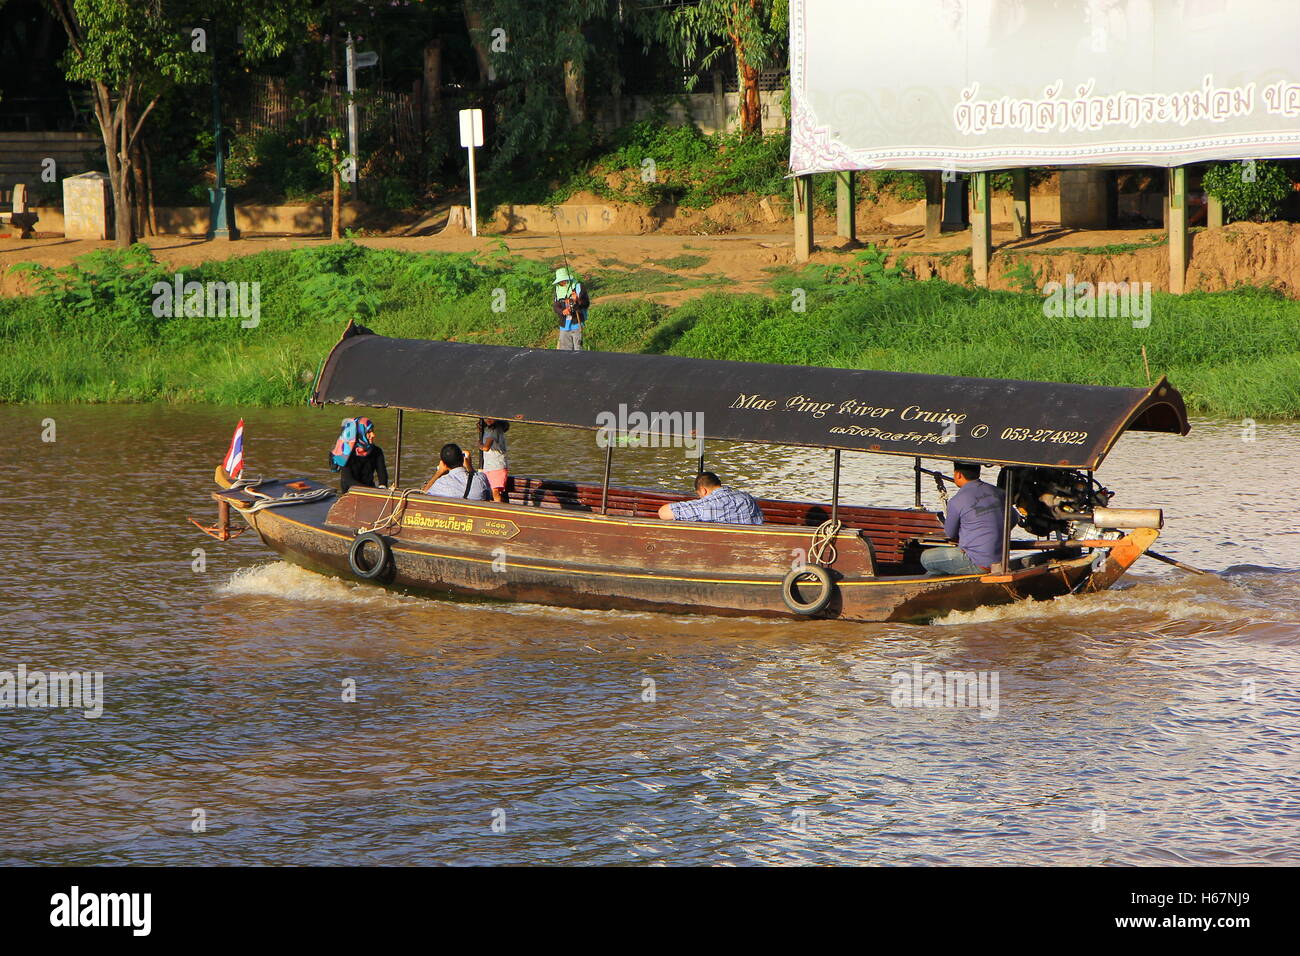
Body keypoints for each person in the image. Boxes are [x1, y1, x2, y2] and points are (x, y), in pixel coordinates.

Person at [920, 461, 1009, 575]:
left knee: (926, 558)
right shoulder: (998, 492)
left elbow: (951, 534)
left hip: (977, 562)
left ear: (958, 475)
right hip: (1000, 559)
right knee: (933, 572)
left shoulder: (956, 501)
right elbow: (1014, 518)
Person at [657, 471, 764, 525]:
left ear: (703, 490)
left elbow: (663, 512)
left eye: (699, 495)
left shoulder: (708, 504)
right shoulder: (746, 498)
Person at [330, 417, 388, 493]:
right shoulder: (346, 453)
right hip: (350, 494)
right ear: (359, 434)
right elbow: (348, 481)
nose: (373, 435)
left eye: (372, 431)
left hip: (370, 491)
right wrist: (373, 491)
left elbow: (382, 476)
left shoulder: (377, 451)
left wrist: (382, 488)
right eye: (368, 432)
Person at [423, 442, 491, 500]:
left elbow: (425, 493)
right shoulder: (481, 478)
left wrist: (439, 473)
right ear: (462, 458)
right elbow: (488, 496)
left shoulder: (441, 482)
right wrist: (470, 467)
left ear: (444, 464)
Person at [552, 267, 590, 350]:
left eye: (564, 280)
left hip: (577, 323)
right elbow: (555, 306)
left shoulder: (578, 287)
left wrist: (578, 300)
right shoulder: (557, 289)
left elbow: (586, 303)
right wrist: (562, 311)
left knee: (578, 350)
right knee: (565, 351)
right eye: (560, 281)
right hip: (564, 325)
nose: (563, 283)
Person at [477, 417, 510, 503]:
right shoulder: (489, 430)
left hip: (496, 466)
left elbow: (486, 447)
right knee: (493, 491)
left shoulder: (494, 430)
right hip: (491, 465)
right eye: (486, 418)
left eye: (491, 418)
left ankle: (499, 508)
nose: (488, 419)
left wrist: (479, 445)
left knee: (495, 491)